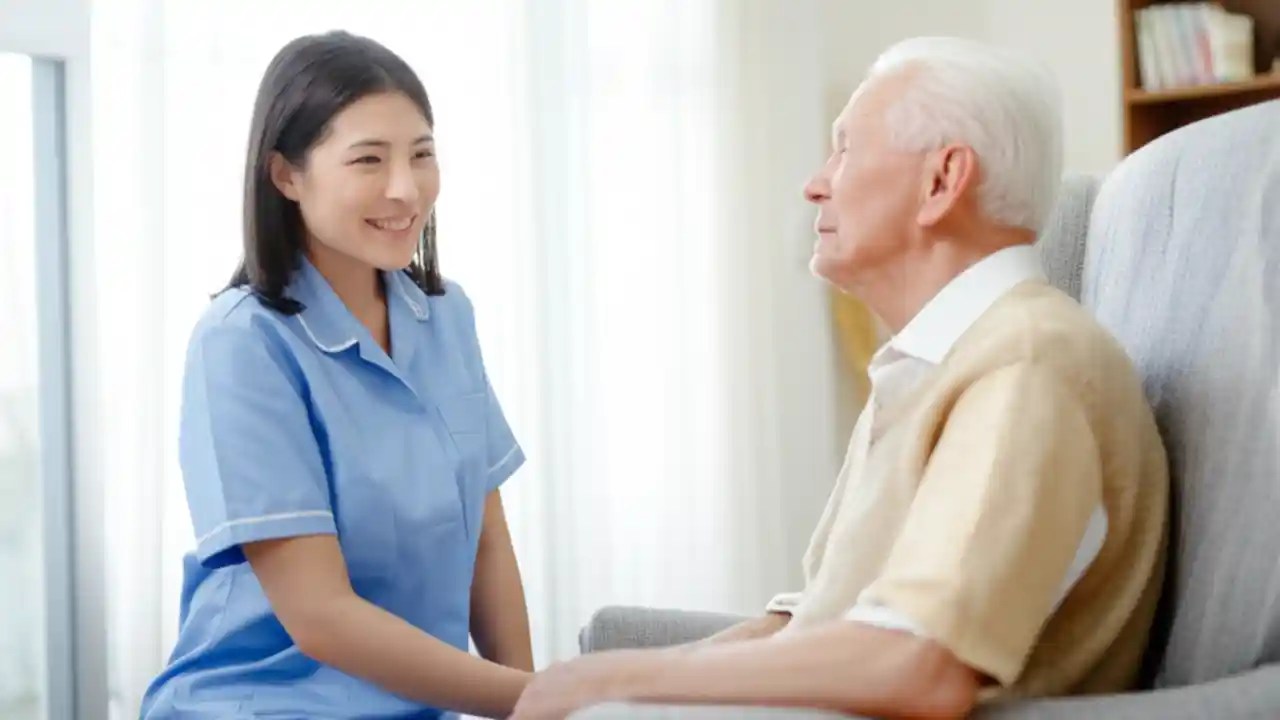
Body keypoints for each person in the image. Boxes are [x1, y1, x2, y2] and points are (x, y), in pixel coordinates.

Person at [511, 37, 1169, 720]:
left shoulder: (1030, 363)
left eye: (846, 148)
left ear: (942, 181)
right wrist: (622, 679)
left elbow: (919, 665)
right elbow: (813, 625)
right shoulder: (930, 365)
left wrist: (615, 680)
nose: (816, 181)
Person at [141, 31, 533, 719]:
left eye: (421, 155)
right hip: (259, 706)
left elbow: (486, 540)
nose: (405, 189)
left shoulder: (446, 317)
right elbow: (320, 616)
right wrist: (538, 697)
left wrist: (534, 707)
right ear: (287, 176)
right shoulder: (241, 344)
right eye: (367, 160)